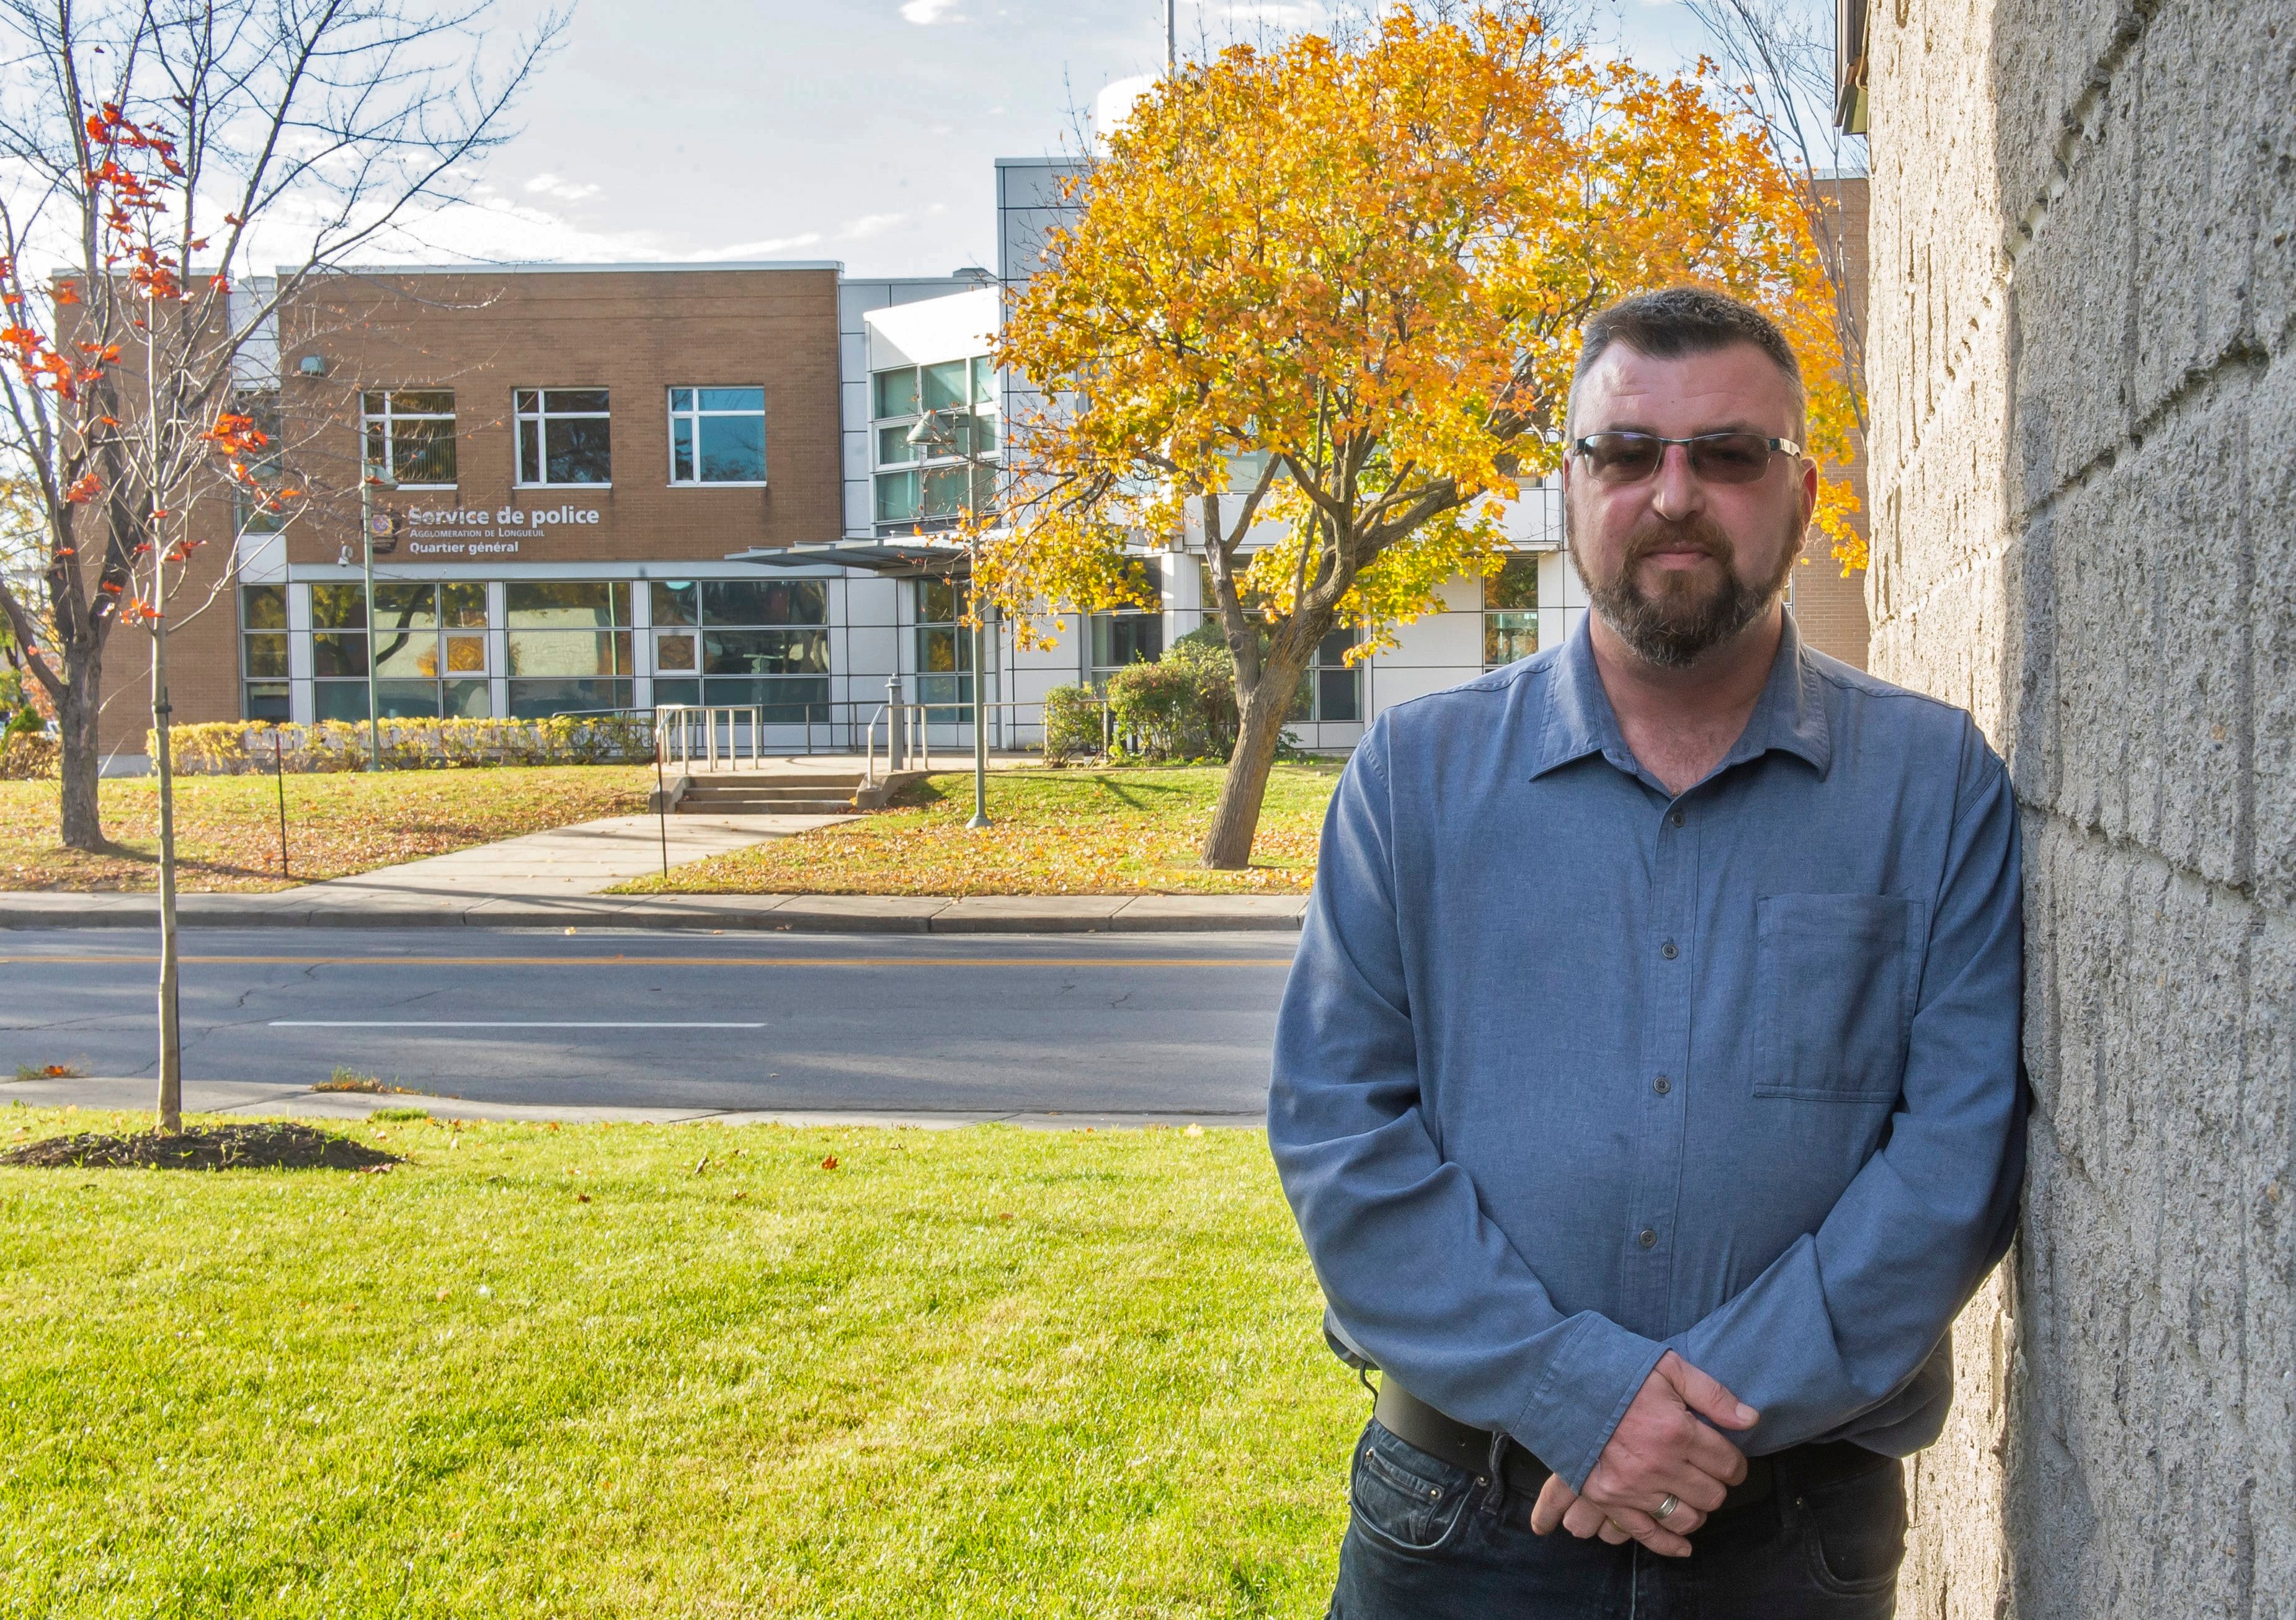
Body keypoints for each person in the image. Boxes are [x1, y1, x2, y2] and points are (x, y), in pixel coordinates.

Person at [1268, 286, 2026, 1618]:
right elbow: (1342, 1132)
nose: (1674, 495)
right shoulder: (1413, 778)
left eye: (1728, 454)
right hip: (1458, 1528)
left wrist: (1680, 1419)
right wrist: (1577, 1397)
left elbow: (1955, 1155)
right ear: (1570, 489)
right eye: (1626, 453)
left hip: (1794, 1541)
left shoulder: (1931, 783)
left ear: (1801, 496)